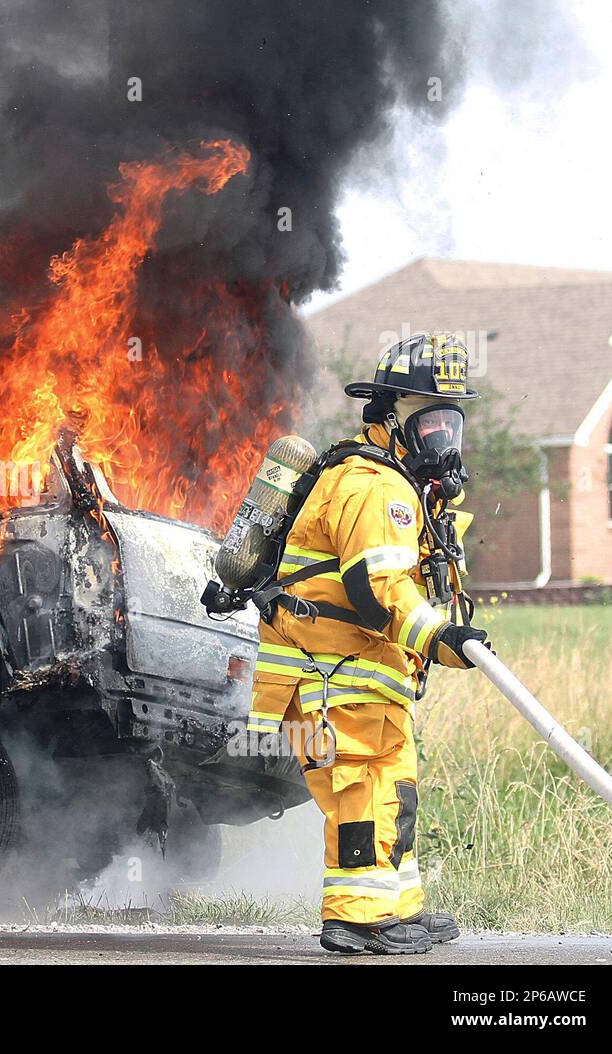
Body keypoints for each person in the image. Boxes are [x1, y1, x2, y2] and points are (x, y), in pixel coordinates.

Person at [246, 332, 490, 955]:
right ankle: (354, 918)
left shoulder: (399, 486)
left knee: (392, 790)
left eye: (449, 422)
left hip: (358, 677)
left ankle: (394, 909)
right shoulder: (374, 486)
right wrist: (439, 637)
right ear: (387, 416)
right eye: (427, 421)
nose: (442, 438)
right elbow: (375, 588)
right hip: (330, 678)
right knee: (359, 792)